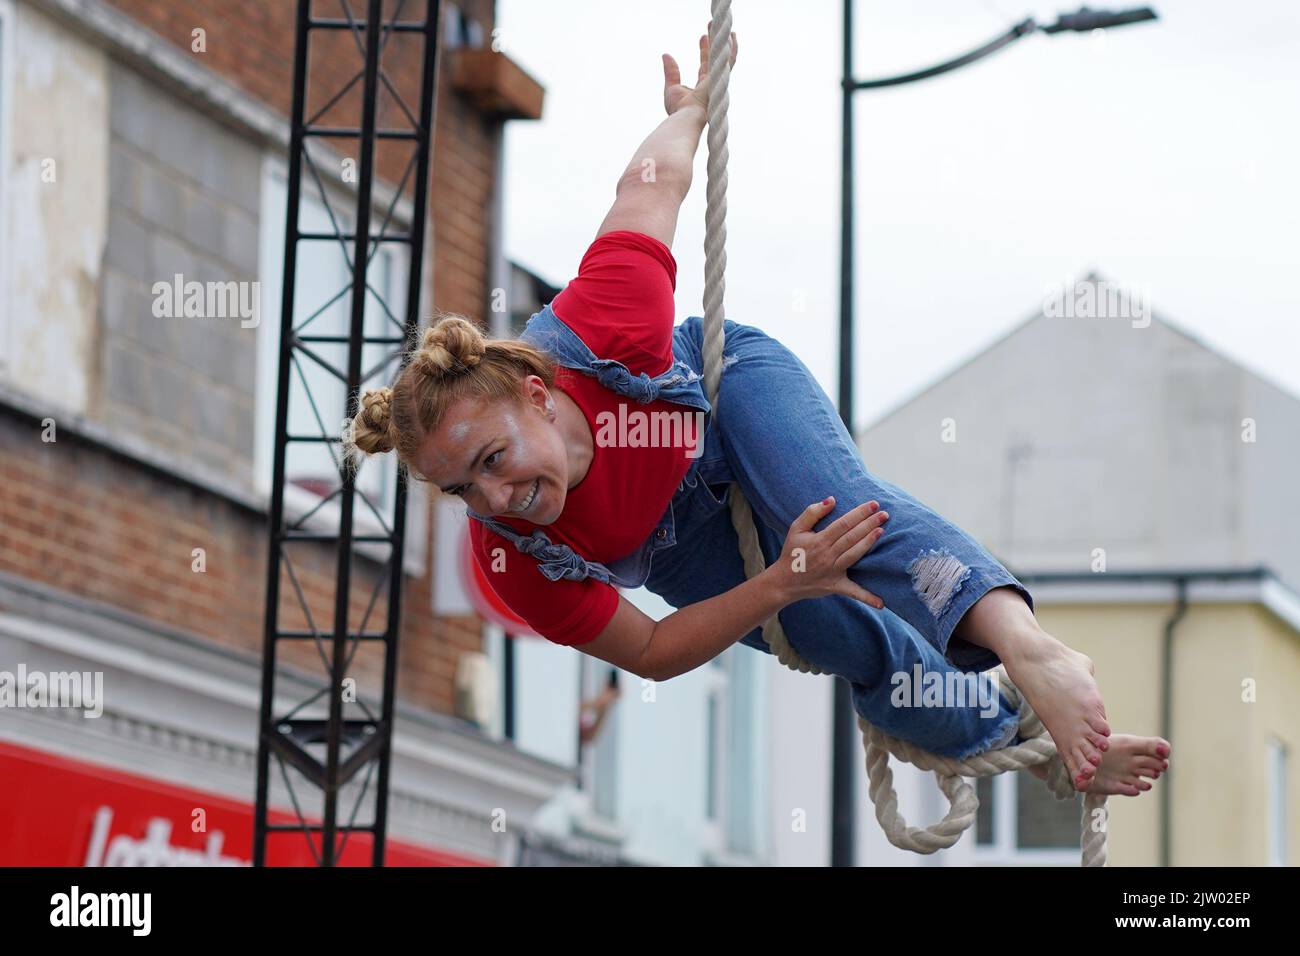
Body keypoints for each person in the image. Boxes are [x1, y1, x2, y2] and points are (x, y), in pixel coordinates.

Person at [344, 26, 1170, 796]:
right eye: (460, 492)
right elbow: (654, 652)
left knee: (840, 515)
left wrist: (691, 112)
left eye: (490, 462)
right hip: (684, 546)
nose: (491, 501)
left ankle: (1029, 648)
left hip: (723, 394)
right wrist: (779, 583)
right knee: (846, 637)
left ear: (536, 395)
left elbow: (653, 185)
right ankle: (1027, 745)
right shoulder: (512, 556)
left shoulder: (601, 324)